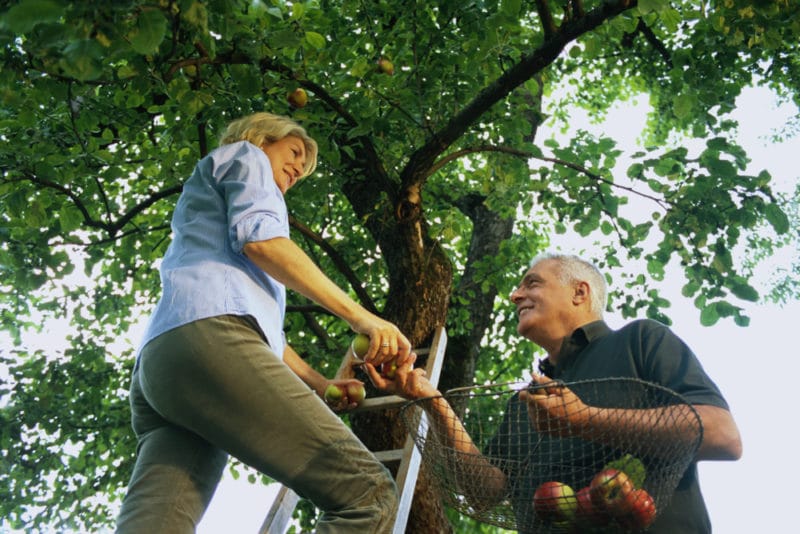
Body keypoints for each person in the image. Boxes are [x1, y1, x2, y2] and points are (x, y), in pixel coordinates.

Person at [116, 112, 412, 534]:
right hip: (211, 342)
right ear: (262, 137)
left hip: (166, 366)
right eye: (293, 153)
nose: (297, 169)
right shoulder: (247, 156)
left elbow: (263, 335)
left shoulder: (215, 215)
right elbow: (263, 241)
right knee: (368, 497)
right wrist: (362, 317)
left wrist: (319, 382)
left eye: (304, 168)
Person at [367, 252, 742, 533]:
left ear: (580, 292)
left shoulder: (641, 340)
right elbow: (486, 491)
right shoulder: (525, 401)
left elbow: (723, 436)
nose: (515, 295)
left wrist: (585, 421)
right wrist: (431, 400)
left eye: (532, 283)